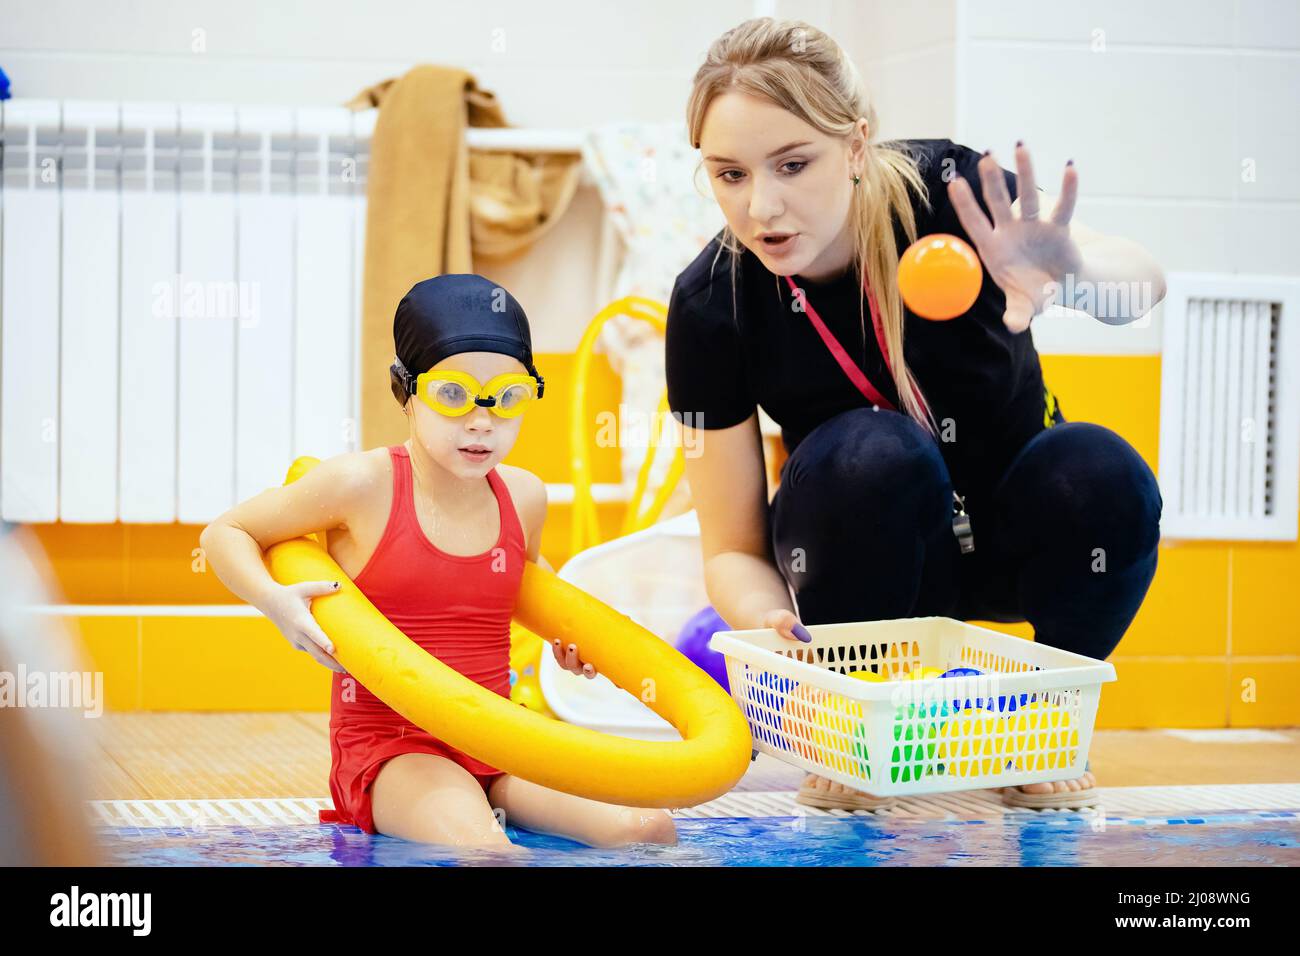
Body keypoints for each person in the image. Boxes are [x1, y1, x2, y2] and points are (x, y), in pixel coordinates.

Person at [666, 18, 1165, 811]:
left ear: (857, 145)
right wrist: (779, 632)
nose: (762, 206)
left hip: (1013, 539)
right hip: (864, 566)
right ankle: (858, 731)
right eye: (729, 174)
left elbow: (1144, 284)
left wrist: (1076, 273)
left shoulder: (953, 193)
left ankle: (1045, 732)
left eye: (794, 164)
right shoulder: (711, 304)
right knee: (872, 452)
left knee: (1101, 471)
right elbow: (730, 549)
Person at [201, 274, 676, 849]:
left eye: (508, 397)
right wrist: (275, 601)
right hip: (393, 748)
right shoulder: (362, 485)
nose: (482, 421)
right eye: (453, 394)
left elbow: (525, 585)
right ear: (406, 390)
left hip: (496, 734)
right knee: (489, 853)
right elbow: (227, 532)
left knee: (649, 830)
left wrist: (569, 641)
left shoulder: (523, 496)